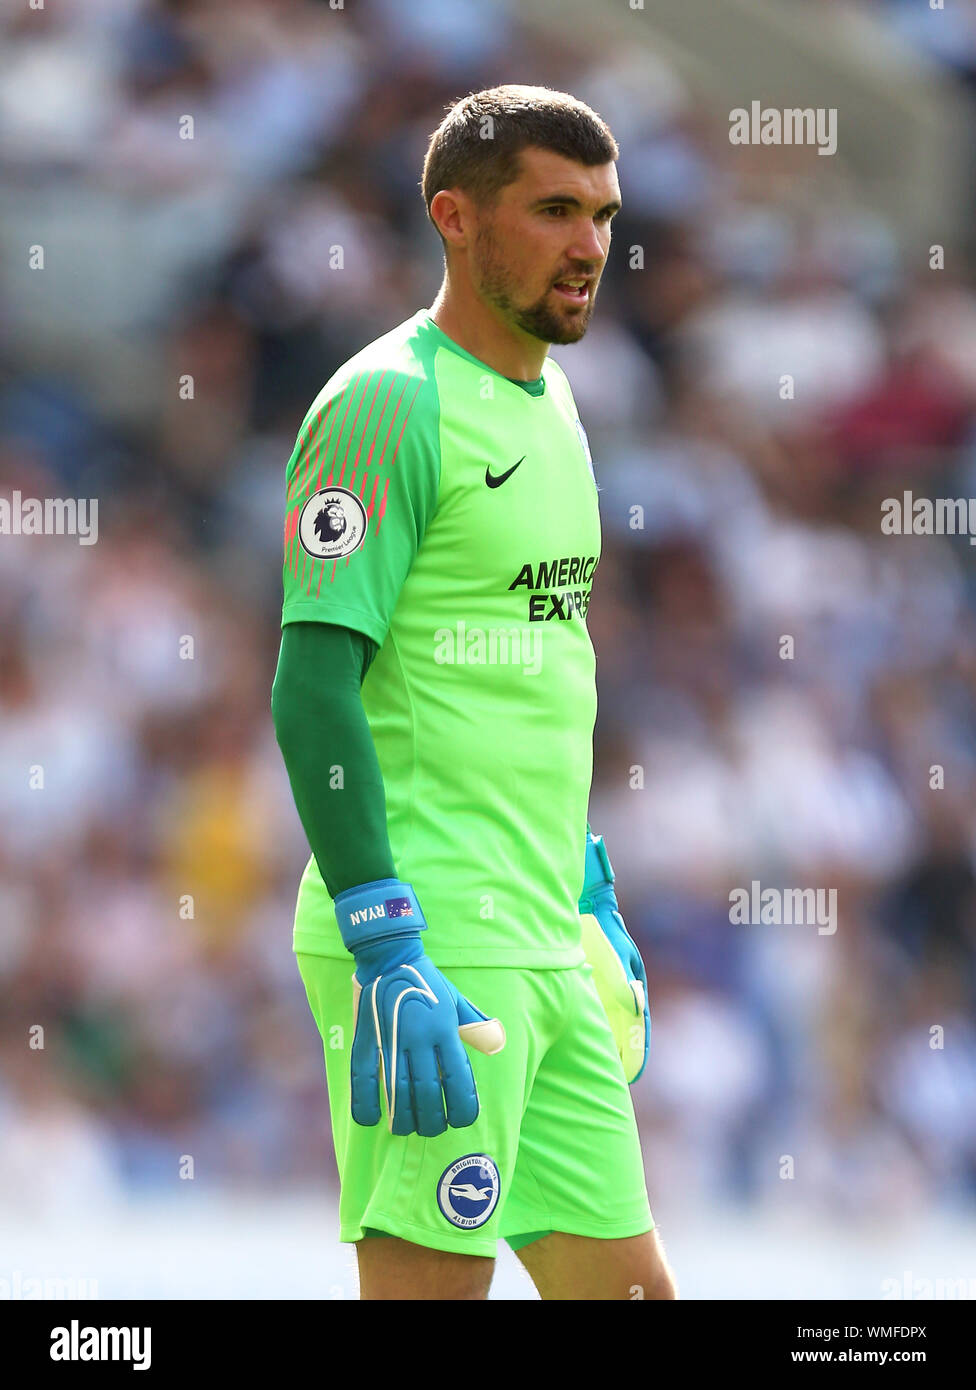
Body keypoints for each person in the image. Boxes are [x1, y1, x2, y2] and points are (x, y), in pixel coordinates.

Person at [272, 84, 677, 1302]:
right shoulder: (387, 403)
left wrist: (582, 877)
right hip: (433, 942)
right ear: (455, 217)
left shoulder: (554, 396)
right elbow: (311, 683)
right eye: (554, 210)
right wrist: (382, 933)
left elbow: (521, 657)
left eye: (603, 214)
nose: (590, 245)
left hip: (543, 929)